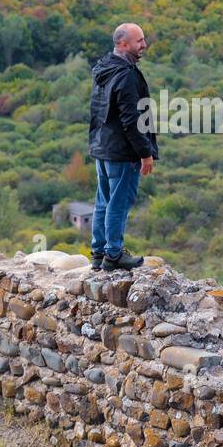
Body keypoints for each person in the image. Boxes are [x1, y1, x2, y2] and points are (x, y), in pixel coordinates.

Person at [87, 22, 157, 270]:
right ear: (123, 44)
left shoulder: (103, 68)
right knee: (118, 203)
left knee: (103, 201)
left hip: (102, 147)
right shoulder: (126, 74)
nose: (144, 45)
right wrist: (145, 153)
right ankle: (114, 254)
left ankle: (99, 253)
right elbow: (131, 120)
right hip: (121, 151)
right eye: (139, 41)